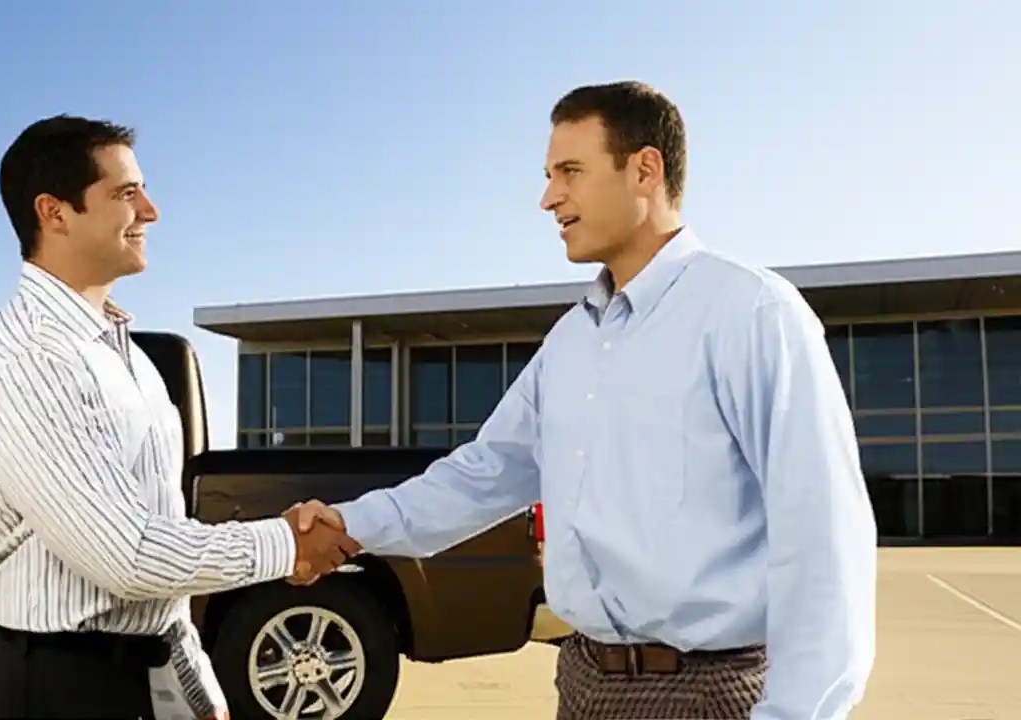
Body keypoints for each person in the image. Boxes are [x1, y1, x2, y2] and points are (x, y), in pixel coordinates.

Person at [290, 81, 878, 719]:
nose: (548, 198)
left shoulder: (751, 313)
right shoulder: (571, 339)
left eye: (571, 171)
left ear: (644, 170)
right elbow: (485, 475)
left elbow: (824, 539)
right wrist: (352, 525)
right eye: (548, 175)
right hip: (583, 685)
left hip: (711, 695)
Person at [0, 114, 359, 720]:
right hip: (58, 692)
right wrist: (285, 546)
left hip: (144, 672)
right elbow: (128, 556)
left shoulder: (126, 355)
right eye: (124, 193)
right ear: (54, 212)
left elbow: (159, 537)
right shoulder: (24, 361)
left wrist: (196, 691)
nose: (151, 211)